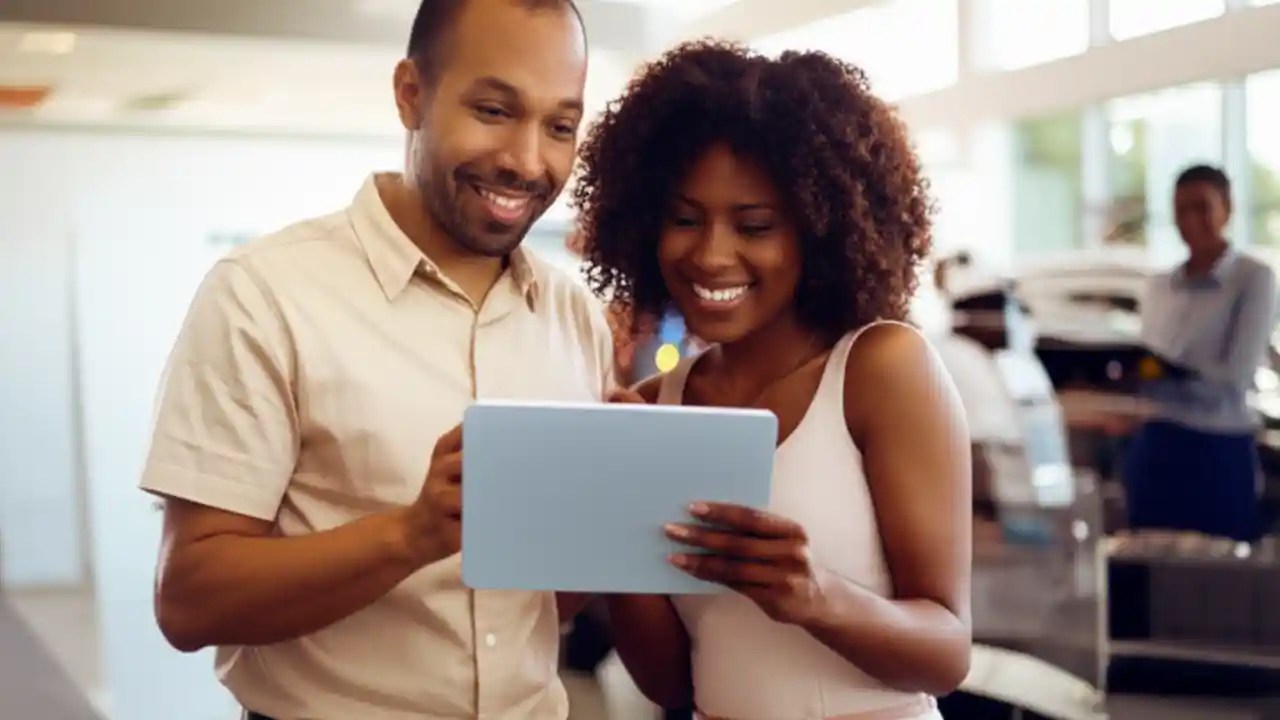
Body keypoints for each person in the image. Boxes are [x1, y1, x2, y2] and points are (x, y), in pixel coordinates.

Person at [139, 1, 611, 718]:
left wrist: (619, 505)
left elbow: (546, 604)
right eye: (493, 111)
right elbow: (189, 601)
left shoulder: (574, 318)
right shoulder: (263, 295)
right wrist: (411, 535)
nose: (526, 160)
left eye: (560, 127)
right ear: (410, 94)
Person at [573, 41, 972, 719]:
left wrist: (816, 597)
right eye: (684, 219)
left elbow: (948, 653)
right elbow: (672, 687)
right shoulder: (651, 408)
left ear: (819, 229)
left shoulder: (879, 369)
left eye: (754, 225)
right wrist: (615, 528)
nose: (711, 254)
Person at [1126, 164, 1278, 542]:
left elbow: (1236, 374)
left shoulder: (1252, 278)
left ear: (1227, 209)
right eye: (1181, 210)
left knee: (1219, 567)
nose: (1190, 220)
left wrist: (1171, 373)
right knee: (1147, 559)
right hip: (1158, 442)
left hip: (1218, 446)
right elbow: (1146, 363)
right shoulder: (1161, 286)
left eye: (1202, 207)